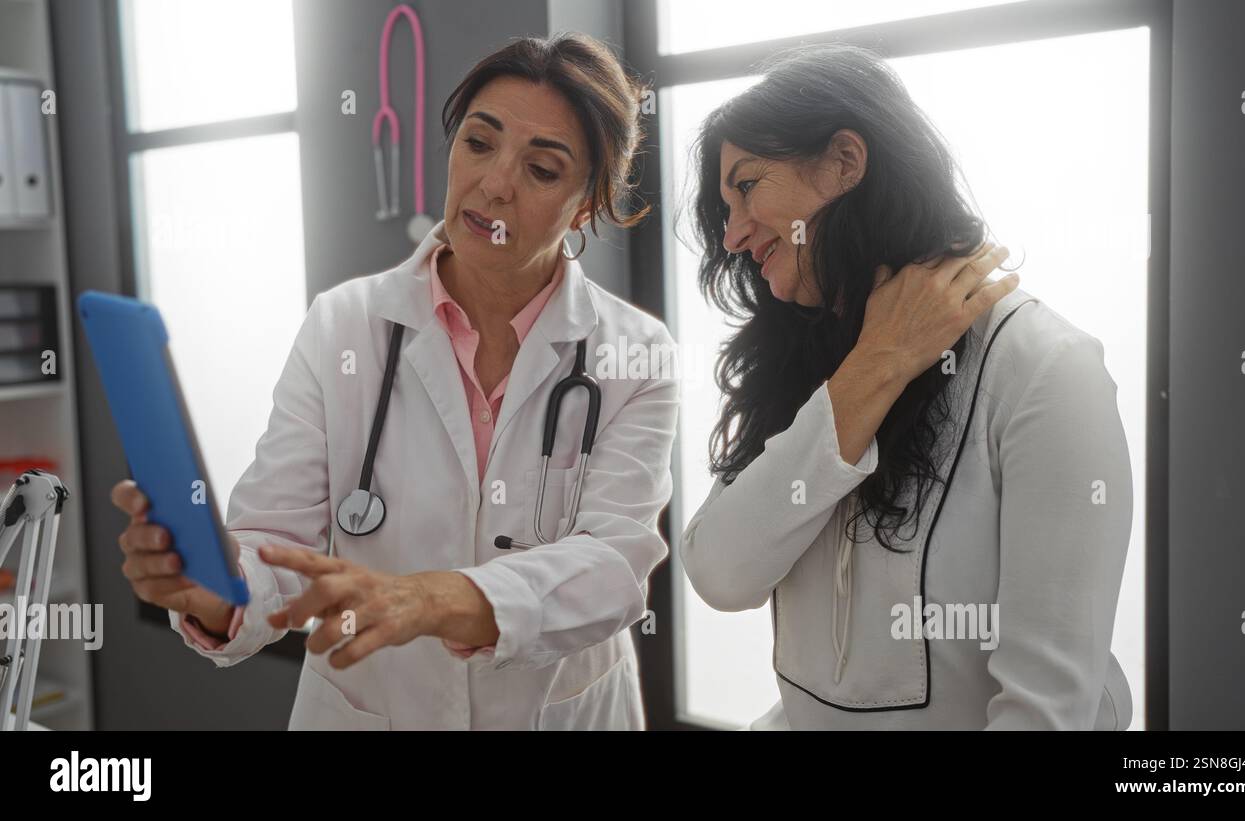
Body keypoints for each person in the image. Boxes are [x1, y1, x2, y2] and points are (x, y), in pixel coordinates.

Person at [111, 33, 677, 730]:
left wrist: (436, 599)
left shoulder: (635, 353)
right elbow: (273, 542)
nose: (495, 183)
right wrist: (214, 591)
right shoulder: (343, 325)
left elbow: (614, 565)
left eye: (542, 169)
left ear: (588, 203)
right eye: (479, 142)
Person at [680, 44, 1133, 730]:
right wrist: (878, 362)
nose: (735, 233)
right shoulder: (804, 356)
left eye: (746, 185)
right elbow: (720, 570)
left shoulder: (1047, 370)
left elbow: (1046, 715)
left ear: (844, 161)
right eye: (724, 205)